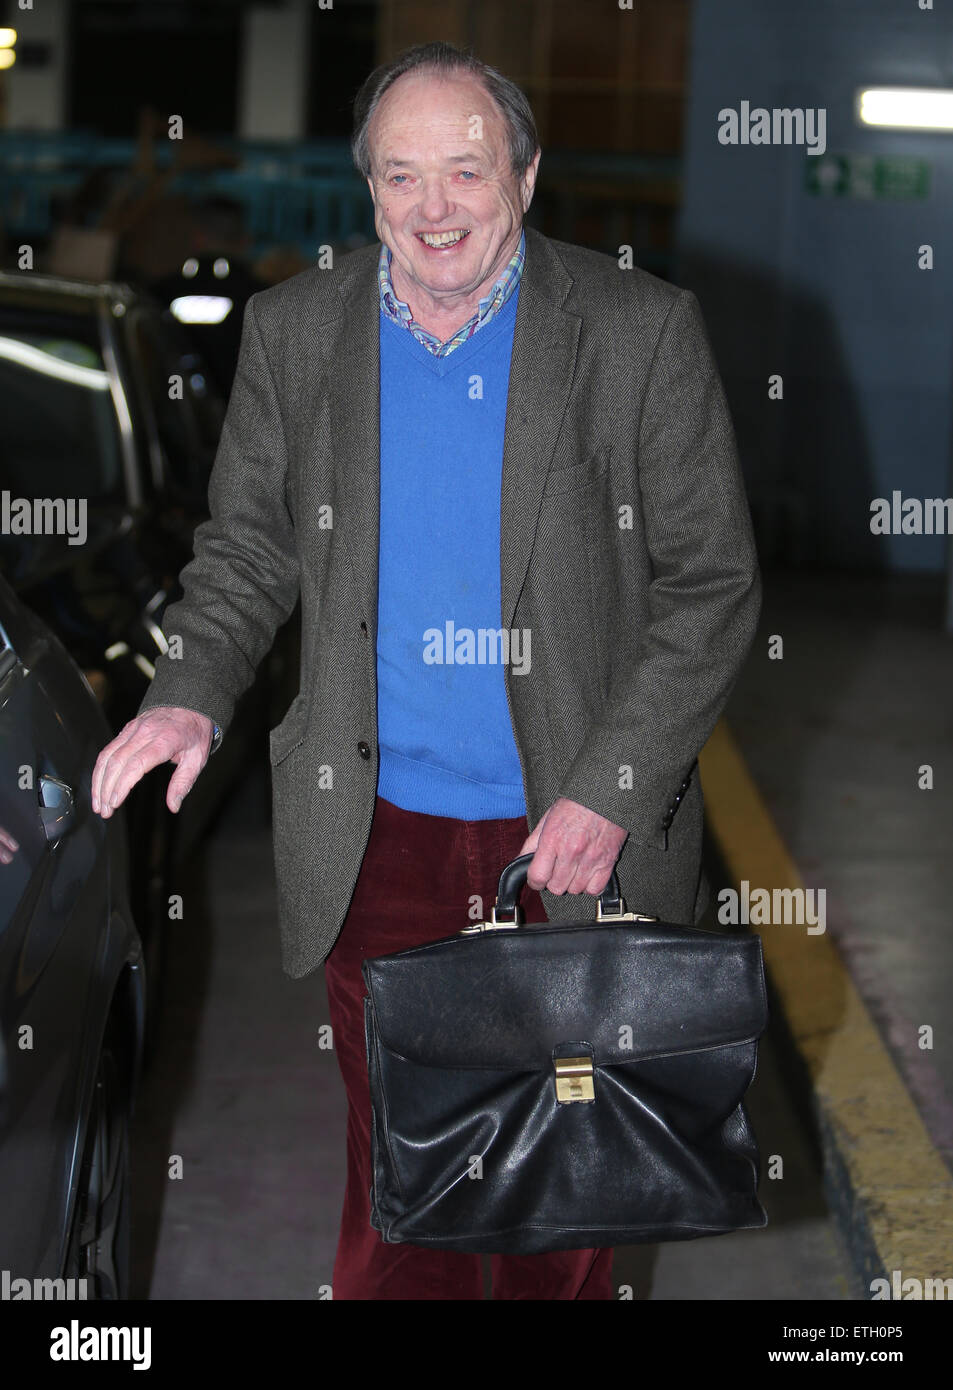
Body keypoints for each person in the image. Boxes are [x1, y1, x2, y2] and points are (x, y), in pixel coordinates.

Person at [91, 41, 761, 1300]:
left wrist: (611, 788)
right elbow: (246, 549)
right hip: (380, 838)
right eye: (402, 176)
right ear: (367, 187)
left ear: (524, 173)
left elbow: (711, 588)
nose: (434, 205)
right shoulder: (297, 333)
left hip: (570, 841)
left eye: (465, 168)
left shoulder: (635, 333)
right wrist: (188, 687)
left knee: (564, 1211)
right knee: (407, 1190)